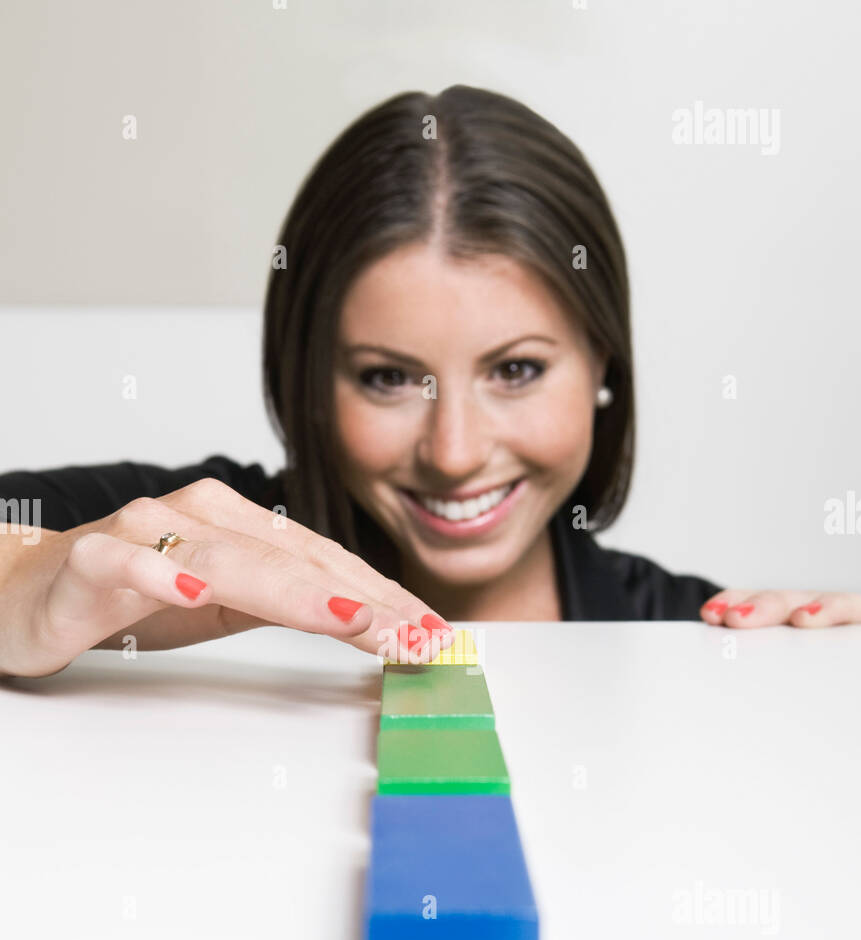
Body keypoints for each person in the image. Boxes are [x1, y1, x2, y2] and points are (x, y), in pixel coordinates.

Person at [1, 86, 856, 680]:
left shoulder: (694, 642)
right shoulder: (179, 542)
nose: (454, 453)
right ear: (309, 380)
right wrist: (20, 591)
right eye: (386, 378)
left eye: (516, 370)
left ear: (602, 363)